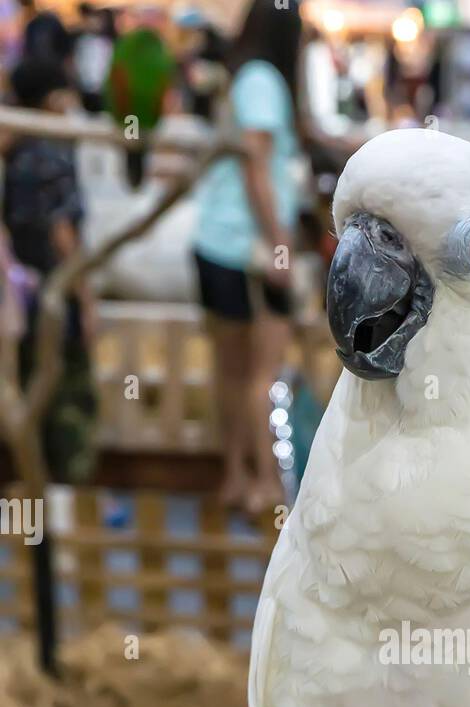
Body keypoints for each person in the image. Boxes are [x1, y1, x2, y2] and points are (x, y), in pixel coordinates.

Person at [193, 0, 301, 514]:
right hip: (248, 244)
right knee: (263, 371)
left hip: (218, 240)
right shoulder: (264, 80)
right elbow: (255, 166)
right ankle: (267, 485)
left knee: (232, 372)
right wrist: (281, 244)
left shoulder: (244, 76)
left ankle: (236, 478)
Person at [1, 59, 97, 481]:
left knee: (27, 394)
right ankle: (64, 494)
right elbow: (63, 234)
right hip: (56, 294)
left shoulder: (14, 151)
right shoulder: (53, 154)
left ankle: (30, 490)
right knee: (69, 403)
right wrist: (87, 301)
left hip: (19, 295)